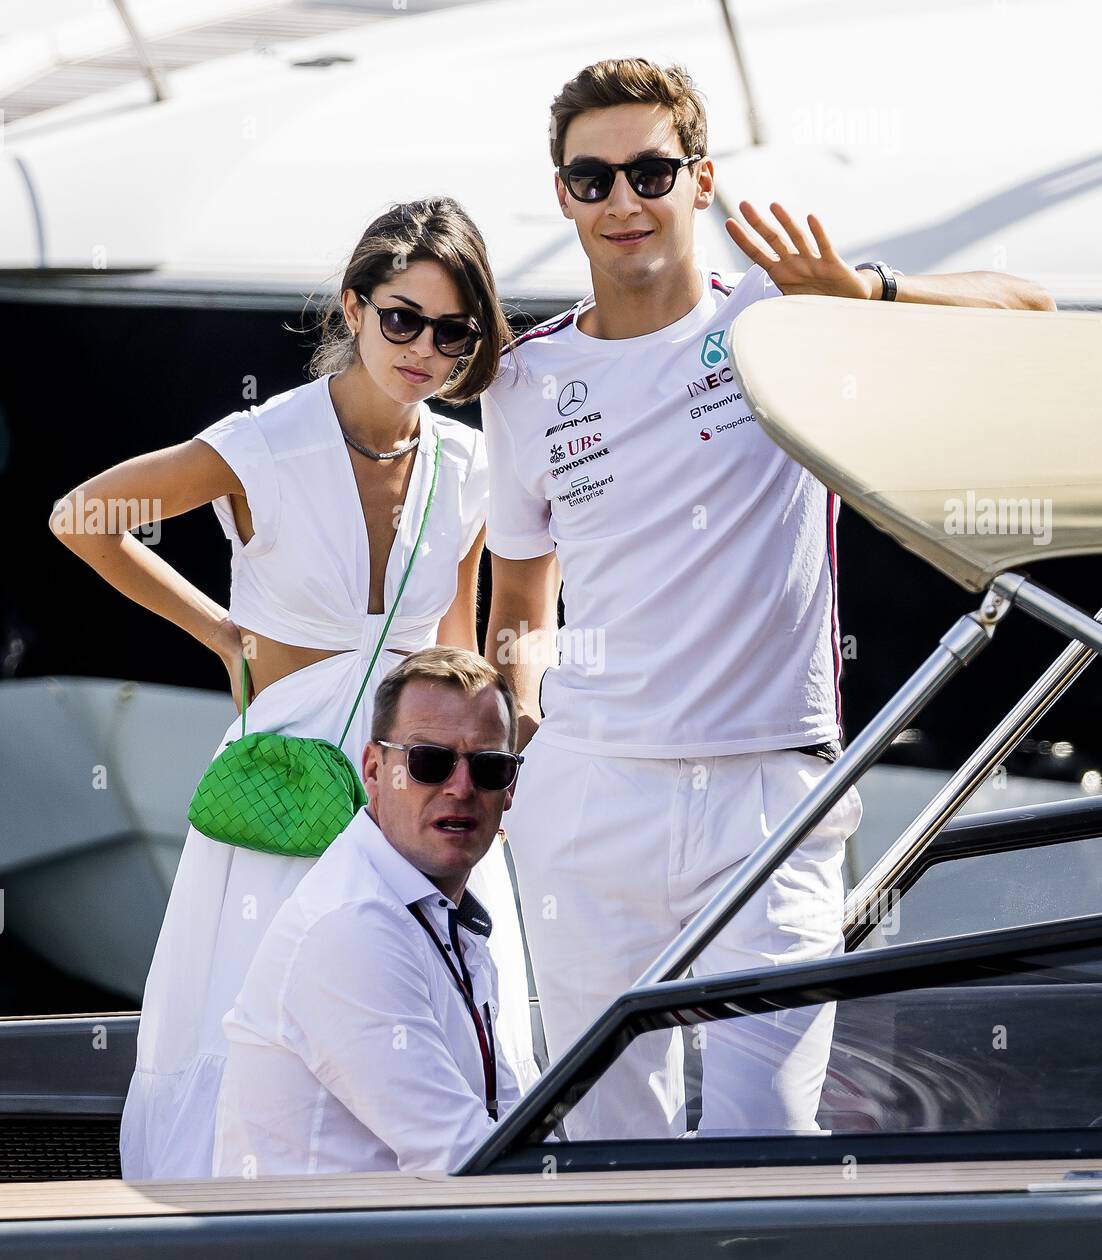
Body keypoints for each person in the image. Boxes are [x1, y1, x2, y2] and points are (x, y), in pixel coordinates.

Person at [482, 58, 1057, 1141]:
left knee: (771, 1143)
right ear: (560, 194)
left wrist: (867, 294)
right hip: (588, 796)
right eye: (592, 178)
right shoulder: (522, 379)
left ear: (700, 181)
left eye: (650, 170)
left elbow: (1027, 306)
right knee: (610, 1148)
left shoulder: (786, 313)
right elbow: (521, 588)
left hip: (772, 796)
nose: (623, 201)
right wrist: (520, 720)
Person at [49, 197, 537, 1181]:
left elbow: (453, 648)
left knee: (425, 1009)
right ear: (354, 308)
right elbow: (83, 516)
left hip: (417, 771)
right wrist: (221, 636)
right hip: (286, 778)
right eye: (402, 317)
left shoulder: (472, 465)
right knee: (258, 1015)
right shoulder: (261, 443)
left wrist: (507, 728)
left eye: (453, 331)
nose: (424, 349)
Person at [213, 648, 522, 1176]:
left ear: (510, 787)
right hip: (336, 1253)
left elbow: (506, 1119)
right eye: (430, 761)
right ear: (374, 770)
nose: (461, 787)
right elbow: (459, 1158)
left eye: (489, 767)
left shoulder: (433, 909)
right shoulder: (353, 925)